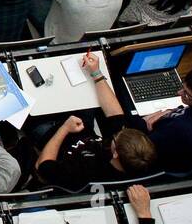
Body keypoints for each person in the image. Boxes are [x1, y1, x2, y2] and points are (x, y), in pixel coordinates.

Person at [35, 53, 158, 190]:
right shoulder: (130, 155)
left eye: (117, 138)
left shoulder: (83, 175)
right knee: (82, 91)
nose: (118, 133)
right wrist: (96, 73)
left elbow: (42, 167)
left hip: (52, 135)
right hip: (79, 126)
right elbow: (114, 114)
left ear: (116, 153)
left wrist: (64, 129)